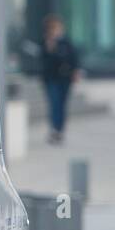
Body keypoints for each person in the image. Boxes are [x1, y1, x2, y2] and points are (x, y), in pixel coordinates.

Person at [41, 14, 81, 144]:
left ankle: (59, 129)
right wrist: (50, 47)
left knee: (62, 104)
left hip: (65, 78)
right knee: (54, 103)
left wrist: (75, 71)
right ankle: (55, 129)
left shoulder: (66, 42)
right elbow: (44, 61)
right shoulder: (46, 42)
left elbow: (74, 58)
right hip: (51, 78)